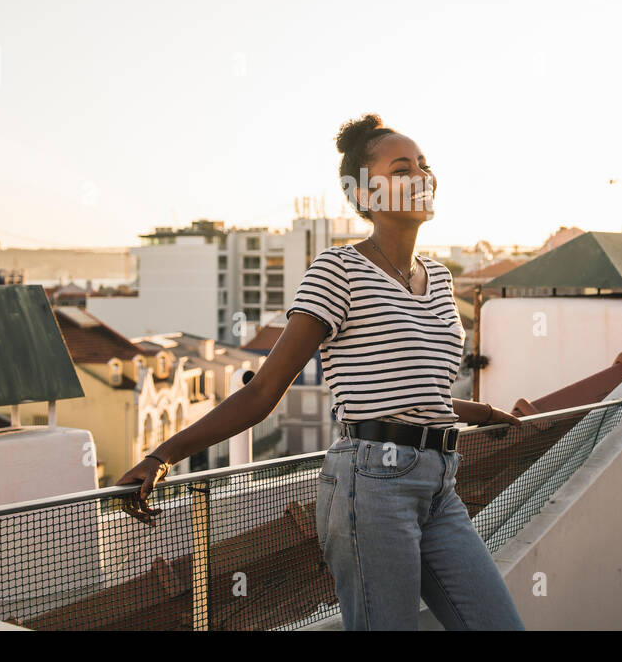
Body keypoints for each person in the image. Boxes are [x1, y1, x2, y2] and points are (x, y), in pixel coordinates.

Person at [117, 113, 526, 630]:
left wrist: (485, 412)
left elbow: (417, 394)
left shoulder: (441, 279)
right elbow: (264, 389)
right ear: (363, 195)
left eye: (425, 165)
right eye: (403, 168)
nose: (422, 175)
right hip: (373, 484)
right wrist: (164, 455)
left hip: (440, 483)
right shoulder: (338, 270)